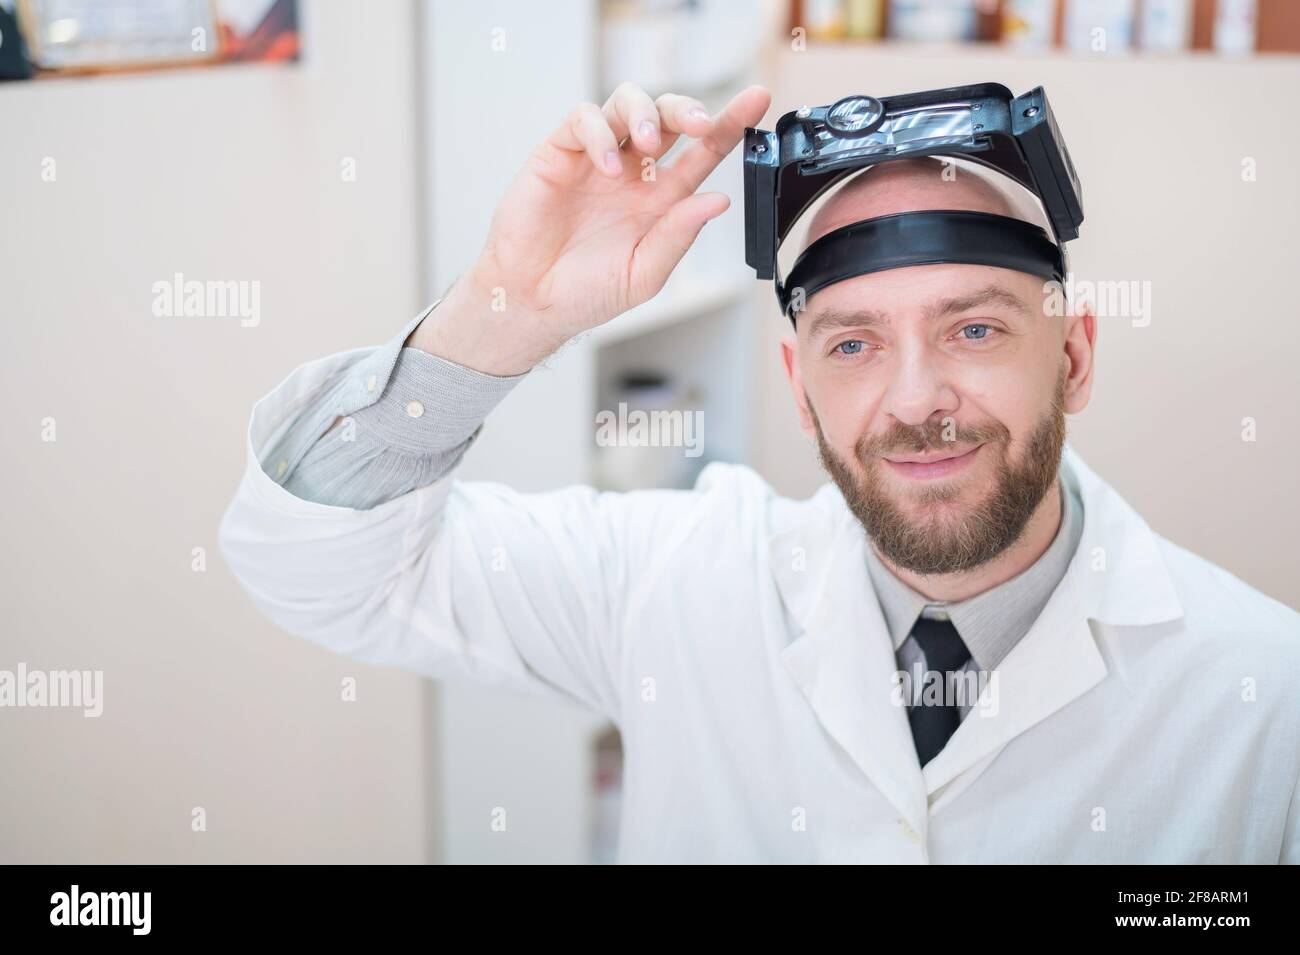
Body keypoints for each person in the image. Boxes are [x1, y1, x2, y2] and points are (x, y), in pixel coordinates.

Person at [218, 82, 1300, 863]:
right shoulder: (670, 581)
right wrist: (507, 309)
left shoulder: (1265, 694)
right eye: (852, 344)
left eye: (974, 330)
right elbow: (322, 566)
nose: (915, 400)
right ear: (796, 384)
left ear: (1072, 356)